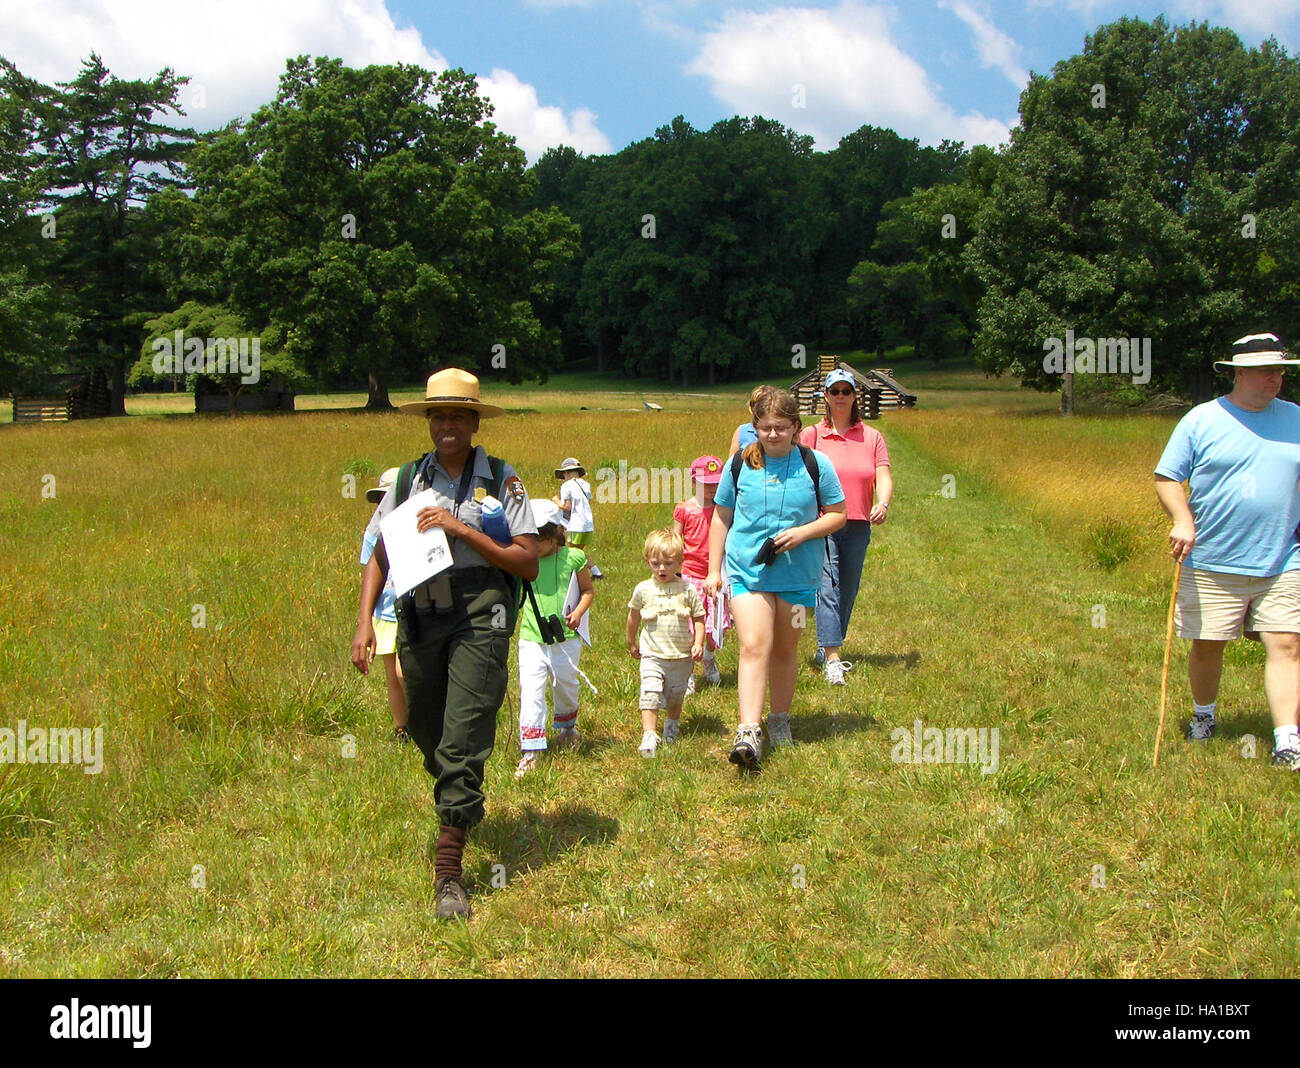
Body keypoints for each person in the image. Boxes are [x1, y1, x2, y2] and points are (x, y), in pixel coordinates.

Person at [350, 367, 539, 919]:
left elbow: (527, 561)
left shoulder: (503, 480)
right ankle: (462, 795)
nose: (448, 424)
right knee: (426, 727)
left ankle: (449, 871)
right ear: (428, 422)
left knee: (462, 733)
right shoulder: (407, 480)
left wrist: (463, 531)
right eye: (439, 415)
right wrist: (364, 622)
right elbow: (381, 555)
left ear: (476, 421)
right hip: (420, 614)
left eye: (459, 414)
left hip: (483, 609)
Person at [1154, 333, 1300, 768]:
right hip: (1212, 561)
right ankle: (1204, 717)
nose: (1274, 379)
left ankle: (1287, 740)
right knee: (1208, 644)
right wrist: (1183, 520)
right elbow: (1166, 477)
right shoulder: (1202, 420)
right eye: (1264, 371)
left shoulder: (1295, 418)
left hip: (1283, 557)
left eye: (1279, 371)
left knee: (1287, 643)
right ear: (1238, 373)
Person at [707, 388, 847, 768]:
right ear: (755, 428)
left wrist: (803, 532)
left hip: (799, 577)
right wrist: (712, 570)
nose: (772, 435)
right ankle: (748, 730)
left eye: (781, 428)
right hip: (747, 572)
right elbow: (721, 517)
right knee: (754, 644)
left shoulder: (816, 465)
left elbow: (838, 514)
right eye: (765, 428)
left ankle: (780, 719)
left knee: (786, 649)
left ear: (796, 428)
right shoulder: (740, 464)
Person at [800, 369, 893, 684]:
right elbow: (798, 472)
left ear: (855, 396)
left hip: (858, 522)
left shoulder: (872, 437)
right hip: (823, 521)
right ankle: (834, 658)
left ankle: (825, 647)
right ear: (825, 396)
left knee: (848, 590)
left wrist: (882, 502)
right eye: (834, 391)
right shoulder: (813, 435)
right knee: (828, 588)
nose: (840, 396)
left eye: (846, 391)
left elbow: (883, 474)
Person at [515, 498, 594, 778]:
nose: (532, 545)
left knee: (565, 685)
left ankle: (567, 727)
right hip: (531, 638)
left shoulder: (574, 558)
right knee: (532, 691)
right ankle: (531, 750)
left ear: (554, 535)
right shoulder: (522, 560)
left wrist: (578, 613)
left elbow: (587, 591)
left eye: (538, 539)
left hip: (566, 639)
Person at [626, 528, 706, 757]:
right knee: (650, 692)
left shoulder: (688, 589)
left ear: (680, 562)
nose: (662, 568)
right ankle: (649, 733)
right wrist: (631, 641)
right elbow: (633, 617)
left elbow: (699, 618)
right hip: (652, 653)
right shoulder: (643, 590)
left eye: (668, 563)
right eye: (656, 563)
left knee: (675, 695)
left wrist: (698, 642)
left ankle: (672, 724)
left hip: (681, 655)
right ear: (647, 561)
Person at [359, 467, 410, 741]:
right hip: (385, 613)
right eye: (382, 498)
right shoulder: (373, 530)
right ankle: (401, 728)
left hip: (412, 611)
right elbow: (370, 568)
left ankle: (425, 720)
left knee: (406, 673)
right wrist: (364, 620)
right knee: (392, 675)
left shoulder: (415, 524)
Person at [673, 455, 729, 688]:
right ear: (694, 481)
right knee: (689, 623)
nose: (711, 488)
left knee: (715, 622)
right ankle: (688, 671)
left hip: (716, 574)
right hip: (690, 574)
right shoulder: (685, 509)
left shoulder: (723, 510)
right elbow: (676, 539)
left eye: (716, 483)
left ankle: (709, 656)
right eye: (706, 483)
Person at [553, 457, 602, 579]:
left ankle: (571, 576)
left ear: (566, 473)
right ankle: (596, 573)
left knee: (569, 552)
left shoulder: (566, 486)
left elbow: (567, 507)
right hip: (588, 525)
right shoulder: (586, 485)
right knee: (577, 552)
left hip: (576, 525)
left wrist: (556, 501)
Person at [727, 385, 775, 457]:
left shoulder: (779, 432)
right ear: (751, 407)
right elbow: (731, 462)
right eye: (755, 404)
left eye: (763, 404)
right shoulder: (742, 431)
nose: (759, 408)